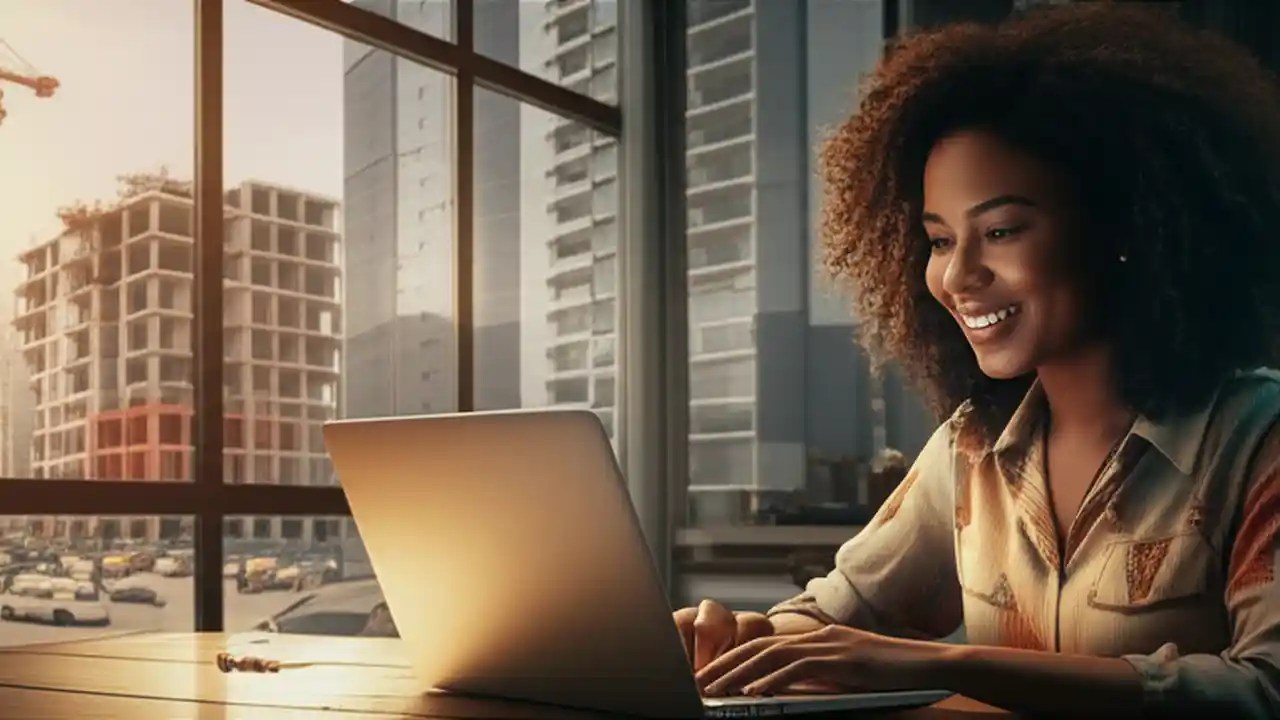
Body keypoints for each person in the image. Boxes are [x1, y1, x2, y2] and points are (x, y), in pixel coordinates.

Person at [673, 5, 1280, 717]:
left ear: (1124, 226)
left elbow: (1262, 689)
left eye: (999, 230)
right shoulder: (971, 449)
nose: (957, 278)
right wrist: (745, 637)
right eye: (937, 240)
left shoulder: (1256, 438)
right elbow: (839, 614)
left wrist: (946, 662)